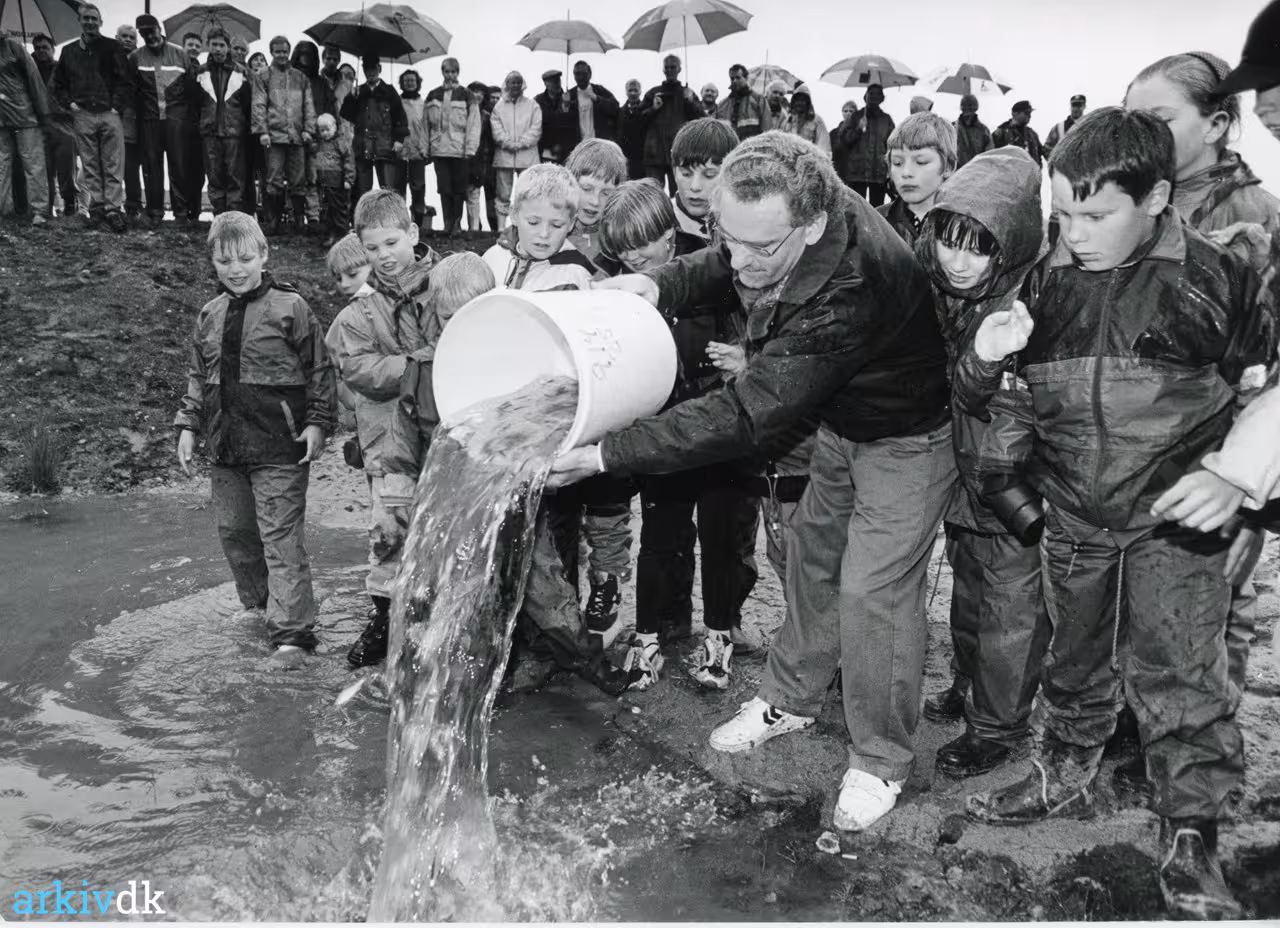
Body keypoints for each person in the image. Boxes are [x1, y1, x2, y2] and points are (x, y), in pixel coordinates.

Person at [549, 131, 955, 832]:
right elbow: (729, 257)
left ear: (816, 223)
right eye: (725, 236)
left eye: (760, 247)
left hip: (908, 436)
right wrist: (659, 281)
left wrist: (606, 453)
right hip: (841, 423)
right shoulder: (794, 204)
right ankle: (791, 699)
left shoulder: (853, 284)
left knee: (874, 592)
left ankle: (881, 760)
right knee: (814, 564)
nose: (740, 260)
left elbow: (744, 411)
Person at [959, 108, 1274, 921]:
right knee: (1072, 659)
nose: (1078, 234)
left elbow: (1267, 389)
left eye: (1097, 215)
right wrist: (983, 361)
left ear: (1159, 196)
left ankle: (1192, 831)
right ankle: (1061, 774)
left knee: (1178, 673)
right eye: (1063, 214)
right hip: (1075, 516)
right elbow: (989, 406)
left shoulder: (1215, 278)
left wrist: (1237, 477)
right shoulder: (1044, 283)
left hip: (1178, 516)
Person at [1115, 49, 1280, 796]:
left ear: (1217, 124)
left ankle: (1200, 778)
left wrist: (1242, 481)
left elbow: (1263, 366)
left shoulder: (1249, 220)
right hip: (1147, 449)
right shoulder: (1150, 200)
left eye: (1160, 119)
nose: (1140, 133)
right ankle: (1143, 737)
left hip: (1221, 457)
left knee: (1209, 619)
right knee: (1152, 614)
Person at [911, 147, 1051, 779]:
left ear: (1011, 245)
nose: (958, 261)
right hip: (966, 477)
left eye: (978, 248)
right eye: (950, 241)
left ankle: (997, 728)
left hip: (1014, 482)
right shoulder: (943, 286)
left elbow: (987, 389)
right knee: (969, 600)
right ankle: (971, 691)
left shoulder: (1031, 300)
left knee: (1010, 616)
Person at [597, 176, 761, 691]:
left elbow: (762, 329)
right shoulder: (618, 286)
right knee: (661, 536)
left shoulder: (713, 266)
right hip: (662, 431)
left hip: (722, 427)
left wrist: (745, 359)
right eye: (622, 250)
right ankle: (650, 636)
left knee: (724, 538)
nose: (635, 258)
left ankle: (719, 636)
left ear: (669, 232)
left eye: (643, 243)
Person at [174, 211, 335, 666]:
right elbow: (196, 374)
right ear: (214, 263)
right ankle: (257, 604)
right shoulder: (210, 313)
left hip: (279, 446)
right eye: (225, 261)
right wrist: (188, 425)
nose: (236, 268)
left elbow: (319, 369)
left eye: (245, 258)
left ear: (264, 255)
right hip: (226, 448)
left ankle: (293, 636)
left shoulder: (291, 307)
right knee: (236, 533)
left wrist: (319, 422)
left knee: (280, 537)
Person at [328, 189, 439, 667]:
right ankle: (384, 618)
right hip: (388, 440)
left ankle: (439, 620)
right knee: (387, 530)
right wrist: (421, 363)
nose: (383, 257)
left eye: (391, 243)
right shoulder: (356, 312)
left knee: (443, 530)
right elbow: (360, 372)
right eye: (371, 249)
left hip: (443, 436)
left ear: (413, 234)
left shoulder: (448, 284)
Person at [49, 3, 130, 232]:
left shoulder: (113, 47)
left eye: (94, 18)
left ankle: (114, 209)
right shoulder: (69, 51)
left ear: (101, 22)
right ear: (80, 21)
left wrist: (117, 107)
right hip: (83, 114)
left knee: (113, 163)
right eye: (86, 18)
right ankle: (97, 209)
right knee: (90, 164)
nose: (90, 22)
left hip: (108, 113)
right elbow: (58, 84)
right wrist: (71, 105)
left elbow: (125, 80)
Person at [481, 162, 597, 290]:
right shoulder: (491, 259)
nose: (544, 233)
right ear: (514, 214)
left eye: (556, 225)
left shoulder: (577, 276)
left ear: (571, 223)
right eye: (533, 222)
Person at [131, 15, 196, 225]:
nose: (150, 36)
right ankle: (155, 212)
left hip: (176, 121)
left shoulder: (180, 55)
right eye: (144, 33)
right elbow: (132, 91)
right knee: (151, 167)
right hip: (149, 121)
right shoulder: (135, 58)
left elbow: (191, 89)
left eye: (152, 31)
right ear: (141, 35)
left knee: (179, 166)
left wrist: (185, 119)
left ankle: (181, 213)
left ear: (160, 29)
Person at [253, 37, 316, 235]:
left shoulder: (300, 77)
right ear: (271, 52)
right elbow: (258, 104)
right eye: (277, 51)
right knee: (273, 180)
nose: (281, 55)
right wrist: (262, 131)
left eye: (284, 51)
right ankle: (274, 221)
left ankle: (299, 220)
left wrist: (309, 128)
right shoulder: (263, 75)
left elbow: (308, 105)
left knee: (298, 180)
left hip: (297, 137)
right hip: (273, 137)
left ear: (289, 52)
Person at [186, 29, 249, 217]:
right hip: (209, 133)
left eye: (222, 45)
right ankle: (219, 215)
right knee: (213, 175)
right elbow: (194, 103)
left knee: (235, 176)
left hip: (233, 133)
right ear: (209, 46)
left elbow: (247, 104)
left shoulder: (241, 72)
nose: (218, 49)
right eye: (214, 44)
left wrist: (241, 126)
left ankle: (233, 215)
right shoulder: (200, 72)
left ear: (228, 47)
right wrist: (202, 125)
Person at [425, 57, 480, 237]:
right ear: (442, 72)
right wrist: (426, 148)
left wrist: (470, 148)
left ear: (458, 73)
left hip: (460, 150)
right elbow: (425, 124)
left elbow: (474, 123)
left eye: (453, 72)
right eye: (447, 71)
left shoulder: (467, 94)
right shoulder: (432, 94)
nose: (450, 75)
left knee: (459, 188)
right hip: (439, 149)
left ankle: (457, 223)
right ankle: (447, 224)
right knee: (444, 188)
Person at [340, 54, 407, 205]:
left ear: (379, 69)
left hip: (385, 146)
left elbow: (400, 117)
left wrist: (399, 140)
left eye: (373, 68)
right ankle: (365, 223)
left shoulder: (389, 91)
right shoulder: (358, 92)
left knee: (388, 189)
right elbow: (346, 114)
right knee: (363, 191)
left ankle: (391, 221)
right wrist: (351, 97)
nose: (370, 72)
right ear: (363, 70)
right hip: (363, 146)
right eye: (367, 68)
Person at [0, 31, 50, 224]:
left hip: (25, 115)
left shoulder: (14, 47)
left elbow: (34, 80)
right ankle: (4, 211)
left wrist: (43, 114)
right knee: (1, 165)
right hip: (1, 119)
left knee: (33, 163)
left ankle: (39, 211)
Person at [30, 33, 78, 221]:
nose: (41, 51)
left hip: (63, 124)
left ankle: (70, 207)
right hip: (39, 126)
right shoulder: (29, 70)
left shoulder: (63, 70)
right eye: (37, 48)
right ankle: (46, 209)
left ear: (53, 49)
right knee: (44, 170)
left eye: (45, 47)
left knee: (66, 169)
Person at [639, 55, 703, 196]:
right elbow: (639, 121)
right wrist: (653, 109)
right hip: (655, 153)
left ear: (679, 69)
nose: (669, 70)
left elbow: (701, 119)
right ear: (663, 70)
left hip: (680, 151)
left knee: (680, 194)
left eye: (673, 67)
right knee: (654, 195)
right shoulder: (653, 93)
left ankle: (678, 219)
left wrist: (690, 101)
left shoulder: (688, 93)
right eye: (666, 67)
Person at [290, 40, 336, 234]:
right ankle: (296, 216)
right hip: (293, 136)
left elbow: (330, 110)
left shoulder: (321, 83)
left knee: (315, 179)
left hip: (317, 138)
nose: (305, 60)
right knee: (295, 179)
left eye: (309, 56)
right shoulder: (290, 80)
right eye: (301, 55)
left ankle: (315, 217)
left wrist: (326, 136)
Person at [670, 116, 737, 241]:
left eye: (709, 175)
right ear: (674, 171)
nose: (695, 187)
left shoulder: (744, 227)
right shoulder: (660, 226)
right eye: (686, 174)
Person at [489, 70, 541, 229]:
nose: (515, 85)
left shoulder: (532, 105)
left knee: (527, 193)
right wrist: (508, 143)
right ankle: (500, 228)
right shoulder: (499, 107)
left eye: (518, 82)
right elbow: (496, 128)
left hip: (527, 156)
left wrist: (521, 143)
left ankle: (524, 226)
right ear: (507, 84)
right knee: (503, 193)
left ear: (522, 85)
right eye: (512, 82)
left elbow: (536, 128)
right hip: (504, 156)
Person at [565, 137, 627, 263]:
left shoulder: (619, 241)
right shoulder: (550, 231)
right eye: (587, 188)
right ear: (569, 183)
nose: (595, 201)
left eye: (605, 193)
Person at [840, 84, 895, 206]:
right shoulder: (855, 117)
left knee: (877, 210)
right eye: (871, 94)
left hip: (878, 173)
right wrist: (858, 129)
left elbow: (893, 145)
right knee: (857, 209)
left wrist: (890, 170)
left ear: (882, 99)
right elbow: (844, 140)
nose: (874, 97)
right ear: (865, 97)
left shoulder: (887, 120)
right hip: (857, 173)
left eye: (877, 95)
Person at [113, 24, 142, 221]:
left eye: (132, 37)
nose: (128, 40)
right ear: (117, 38)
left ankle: (133, 207)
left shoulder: (139, 62)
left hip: (133, 122)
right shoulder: (109, 59)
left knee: (131, 168)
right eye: (124, 36)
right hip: (110, 118)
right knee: (111, 167)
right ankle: (111, 206)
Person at [311, 113, 353, 245]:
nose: (324, 133)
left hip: (337, 183)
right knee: (327, 210)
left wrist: (348, 179)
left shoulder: (340, 142)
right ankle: (331, 234)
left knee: (339, 209)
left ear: (334, 127)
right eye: (322, 130)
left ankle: (342, 234)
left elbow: (349, 160)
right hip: (325, 183)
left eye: (327, 129)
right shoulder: (321, 144)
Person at [397, 69, 428, 231]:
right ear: (402, 83)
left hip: (418, 152)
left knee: (418, 188)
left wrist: (425, 148)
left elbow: (426, 128)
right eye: (406, 80)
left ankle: (419, 223)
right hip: (400, 153)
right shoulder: (397, 102)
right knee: (399, 189)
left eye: (412, 80)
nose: (409, 83)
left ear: (418, 83)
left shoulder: (424, 104)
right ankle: (401, 223)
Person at [465, 80, 497, 233]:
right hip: (469, 158)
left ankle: (493, 228)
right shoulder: (465, 112)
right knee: (470, 192)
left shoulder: (488, 115)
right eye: (474, 91)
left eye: (480, 92)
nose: (477, 95)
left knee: (488, 195)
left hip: (486, 160)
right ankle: (474, 227)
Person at [179, 32, 206, 220]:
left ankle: (195, 211)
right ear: (183, 46)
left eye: (197, 45)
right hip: (180, 123)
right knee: (181, 168)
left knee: (198, 171)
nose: (194, 48)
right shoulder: (178, 67)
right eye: (191, 45)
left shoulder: (203, 70)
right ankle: (181, 209)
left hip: (199, 125)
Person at [567, 60, 619, 144]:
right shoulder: (570, 95)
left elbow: (615, 108)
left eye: (584, 73)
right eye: (577, 74)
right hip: (579, 146)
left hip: (599, 144)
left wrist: (597, 98)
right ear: (574, 76)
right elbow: (562, 121)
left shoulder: (599, 90)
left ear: (590, 74)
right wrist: (565, 105)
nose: (581, 77)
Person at [716, 64, 771, 141]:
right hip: (729, 150)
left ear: (746, 78)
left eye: (738, 78)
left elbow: (767, 130)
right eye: (732, 78)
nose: (734, 81)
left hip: (750, 149)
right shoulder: (722, 105)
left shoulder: (759, 100)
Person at [535, 69, 576, 165]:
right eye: (553, 82)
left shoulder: (569, 98)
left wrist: (567, 106)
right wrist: (550, 145)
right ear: (546, 83)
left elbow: (572, 126)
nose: (557, 84)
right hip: (545, 150)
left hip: (566, 151)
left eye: (558, 81)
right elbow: (537, 126)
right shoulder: (538, 101)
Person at [780, 84, 829, 155]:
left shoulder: (817, 120)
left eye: (803, 100)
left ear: (808, 102)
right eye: (797, 100)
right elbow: (781, 143)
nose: (799, 103)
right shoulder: (787, 120)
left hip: (809, 160)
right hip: (790, 160)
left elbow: (823, 146)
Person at [991, 100, 1043, 166]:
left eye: (1030, 113)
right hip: (1009, 174)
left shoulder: (1032, 134)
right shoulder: (1000, 133)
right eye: (1026, 113)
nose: (1029, 116)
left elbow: (1040, 153)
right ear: (1015, 113)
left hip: (1030, 174)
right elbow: (992, 157)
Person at [617, 78, 647, 180]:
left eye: (636, 90)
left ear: (640, 92)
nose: (633, 93)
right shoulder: (620, 112)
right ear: (626, 92)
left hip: (643, 158)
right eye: (630, 90)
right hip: (626, 157)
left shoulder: (648, 110)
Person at [954, 94, 992, 169]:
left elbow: (989, 154)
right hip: (956, 172)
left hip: (977, 171)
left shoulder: (983, 130)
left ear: (975, 108)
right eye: (964, 106)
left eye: (970, 106)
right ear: (961, 108)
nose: (967, 108)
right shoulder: (953, 128)